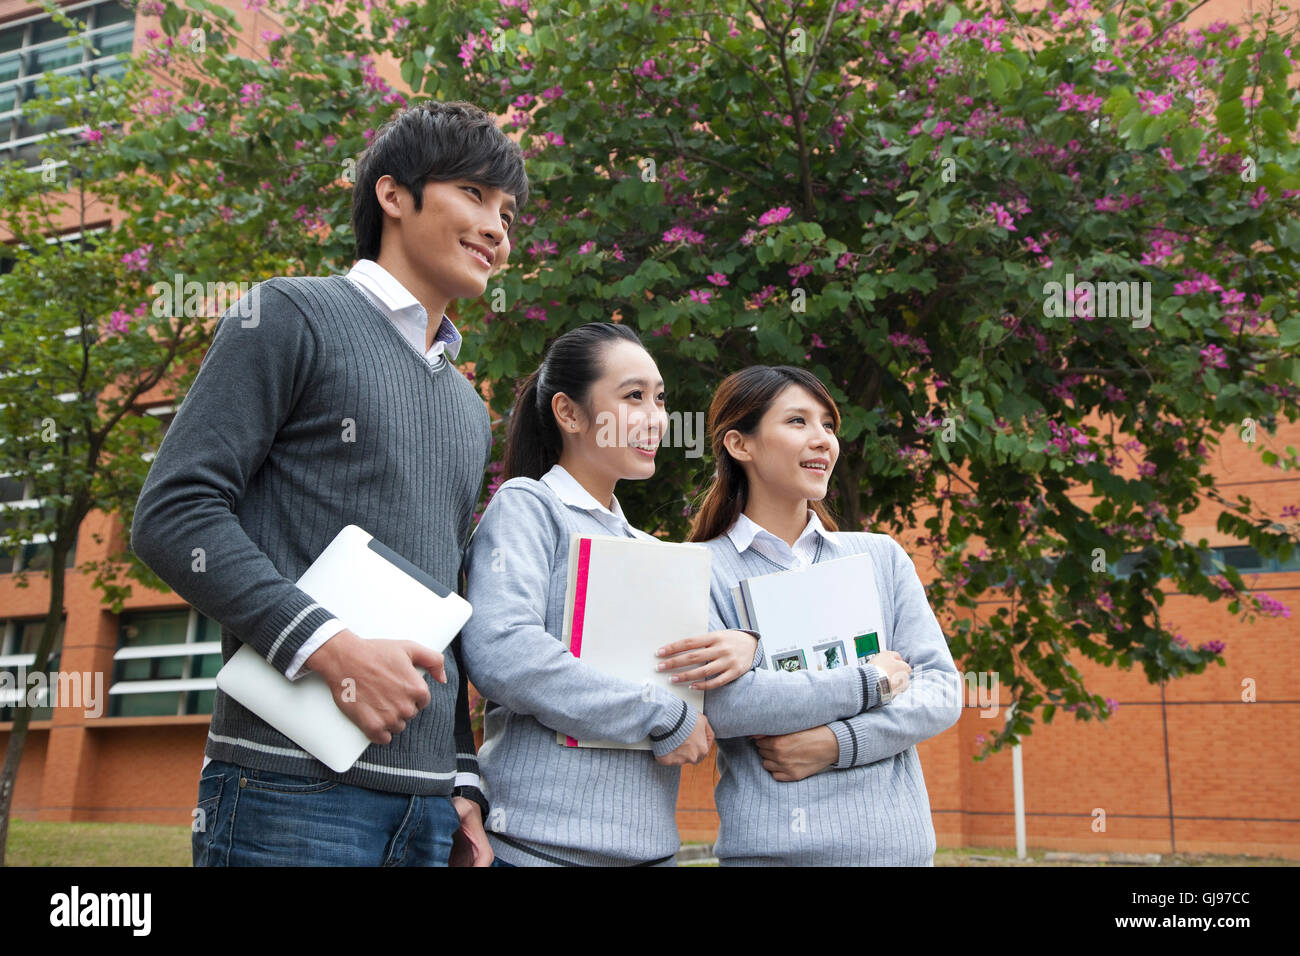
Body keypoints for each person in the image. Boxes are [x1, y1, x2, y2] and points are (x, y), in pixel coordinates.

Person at [130, 100, 527, 866]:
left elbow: (441, 599)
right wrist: (330, 648)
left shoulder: (467, 406)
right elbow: (175, 515)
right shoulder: (288, 314)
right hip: (287, 792)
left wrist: (462, 778)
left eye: (507, 214)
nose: (496, 230)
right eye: (474, 196)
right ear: (392, 194)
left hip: (428, 809)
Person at [460, 323, 877, 866]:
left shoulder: (651, 550)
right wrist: (663, 714)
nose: (657, 418)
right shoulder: (530, 506)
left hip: (651, 850)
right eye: (633, 397)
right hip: (537, 846)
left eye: (660, 399)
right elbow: (503, 652)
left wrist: (749, 643)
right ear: (569, 413)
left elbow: (701, 681)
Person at [679, 365, 963, 865]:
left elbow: (939, 689)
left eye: (828, 425)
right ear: (739, 445)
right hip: (771, 854)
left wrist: (838, 742)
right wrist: (869, 682)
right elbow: (724, 708)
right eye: (798, 422)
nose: (823, 441)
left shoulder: (880, 556)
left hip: (896, 851)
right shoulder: (699, 570)